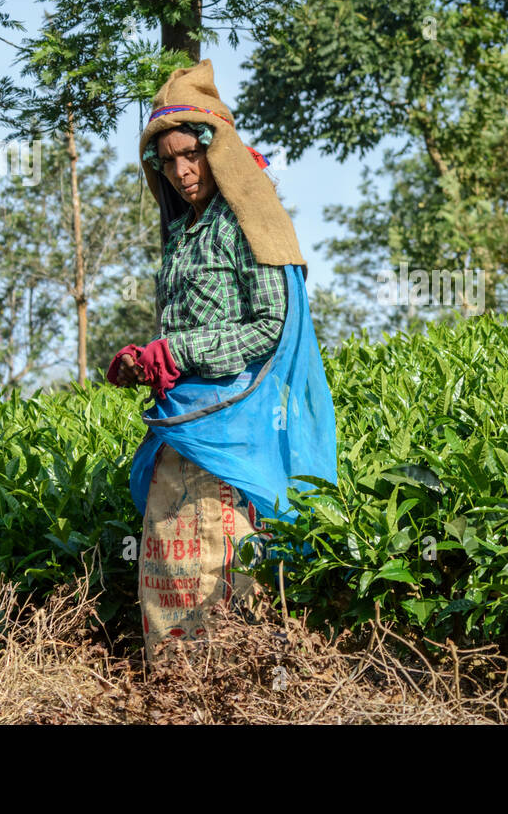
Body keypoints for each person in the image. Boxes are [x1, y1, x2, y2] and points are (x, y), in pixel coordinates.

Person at [107, 59, 337, 661]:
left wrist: (176, 352)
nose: (183, 172)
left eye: (193, 154)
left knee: (223, 579)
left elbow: (268, 328)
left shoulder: (245, 224)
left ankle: (229, 692)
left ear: (218, 151)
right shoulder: (183, 234)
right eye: (169, 160)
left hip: (235, 429)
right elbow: (183, 332)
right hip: (181, 428)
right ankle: (173, 691)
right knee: (168, 578)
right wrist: (145, 361)